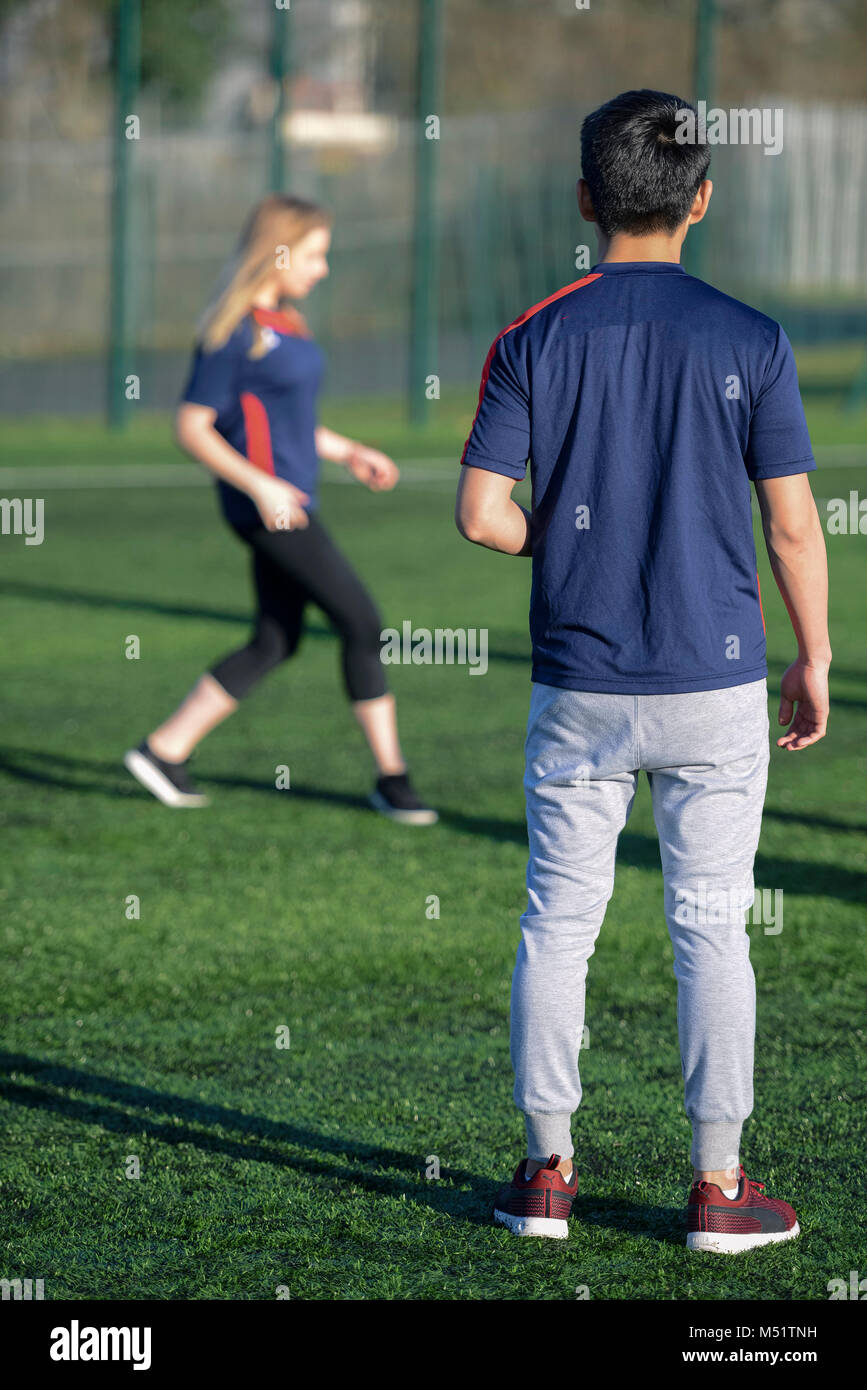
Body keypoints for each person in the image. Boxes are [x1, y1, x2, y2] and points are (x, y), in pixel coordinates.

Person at [456, 90, 829, 1248]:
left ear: (583, 199)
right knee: (712, 927)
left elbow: (480, 515)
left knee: (557, 923)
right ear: (701, 200)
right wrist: (816, 656)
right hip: (717, 684)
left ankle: (544, 1174)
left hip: (579, 681)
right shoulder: (751, 337)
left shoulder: (533, 333)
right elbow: (796, 530)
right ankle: (719, 1190)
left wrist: (562, 539)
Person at [125, 194, 436, 826]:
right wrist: (261, 488)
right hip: (273, 510)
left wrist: (349, 451)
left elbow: (293, 422)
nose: (322, 269)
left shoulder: (286, 324)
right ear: (280, 250)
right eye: (316, 254)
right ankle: (392, 779)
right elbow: (193, 426)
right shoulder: (234, 329)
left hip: (290, 501)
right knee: (363, 622)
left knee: (275, 639)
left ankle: (164, 750)